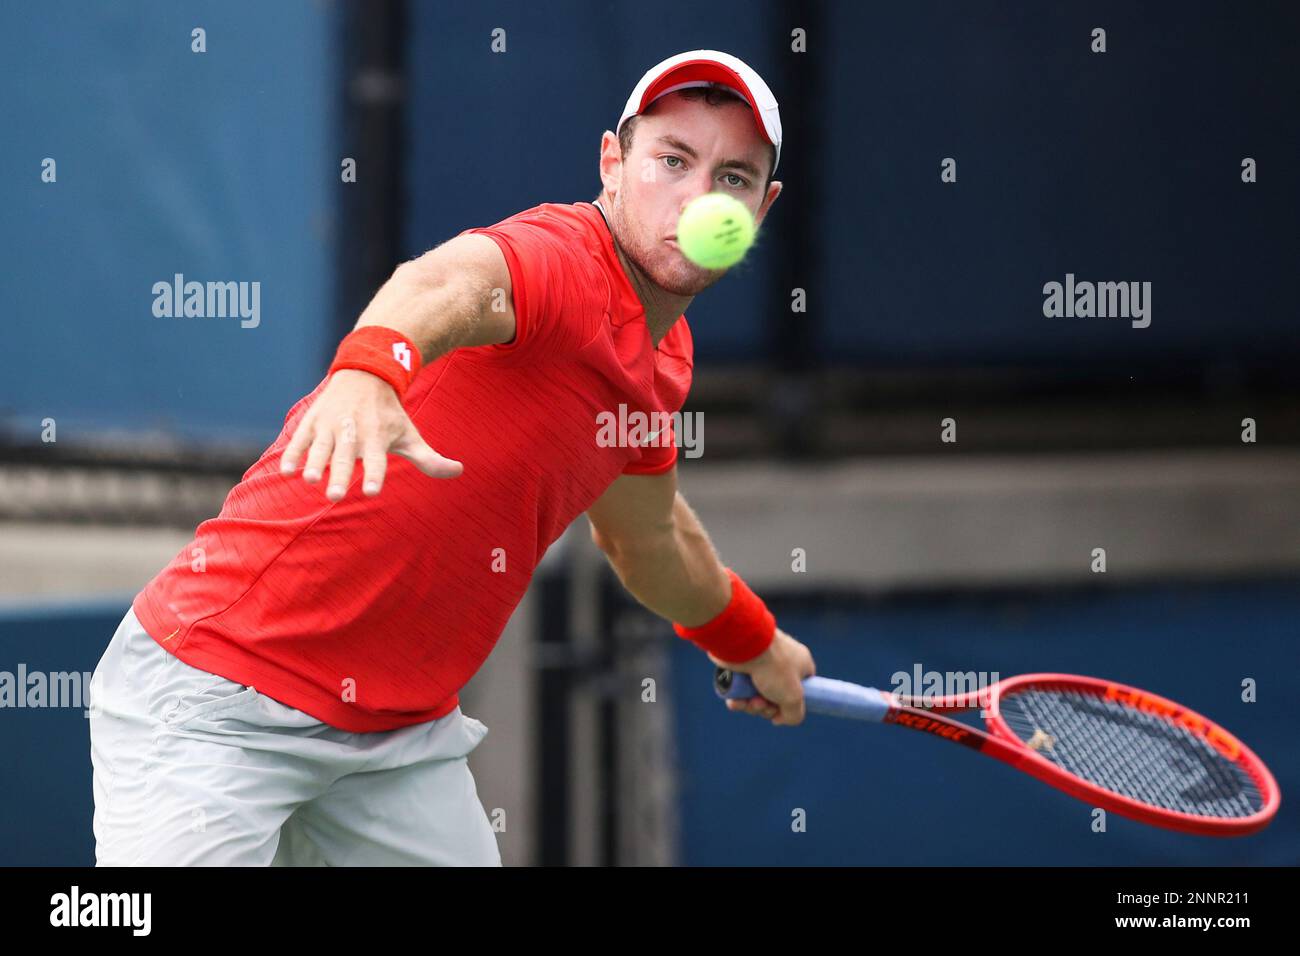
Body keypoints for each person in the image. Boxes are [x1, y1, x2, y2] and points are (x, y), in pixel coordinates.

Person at [89, 49, 816, 866]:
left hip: (396, 742)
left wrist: (749, 638)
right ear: (613, 162)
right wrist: (369, 369)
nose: (695, 197)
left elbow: (648, 538)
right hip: (221, 692)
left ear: (761, 207)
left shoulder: (663, 362)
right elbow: (455, 284)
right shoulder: (564, 261)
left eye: (732, 178)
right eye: (672, 161)